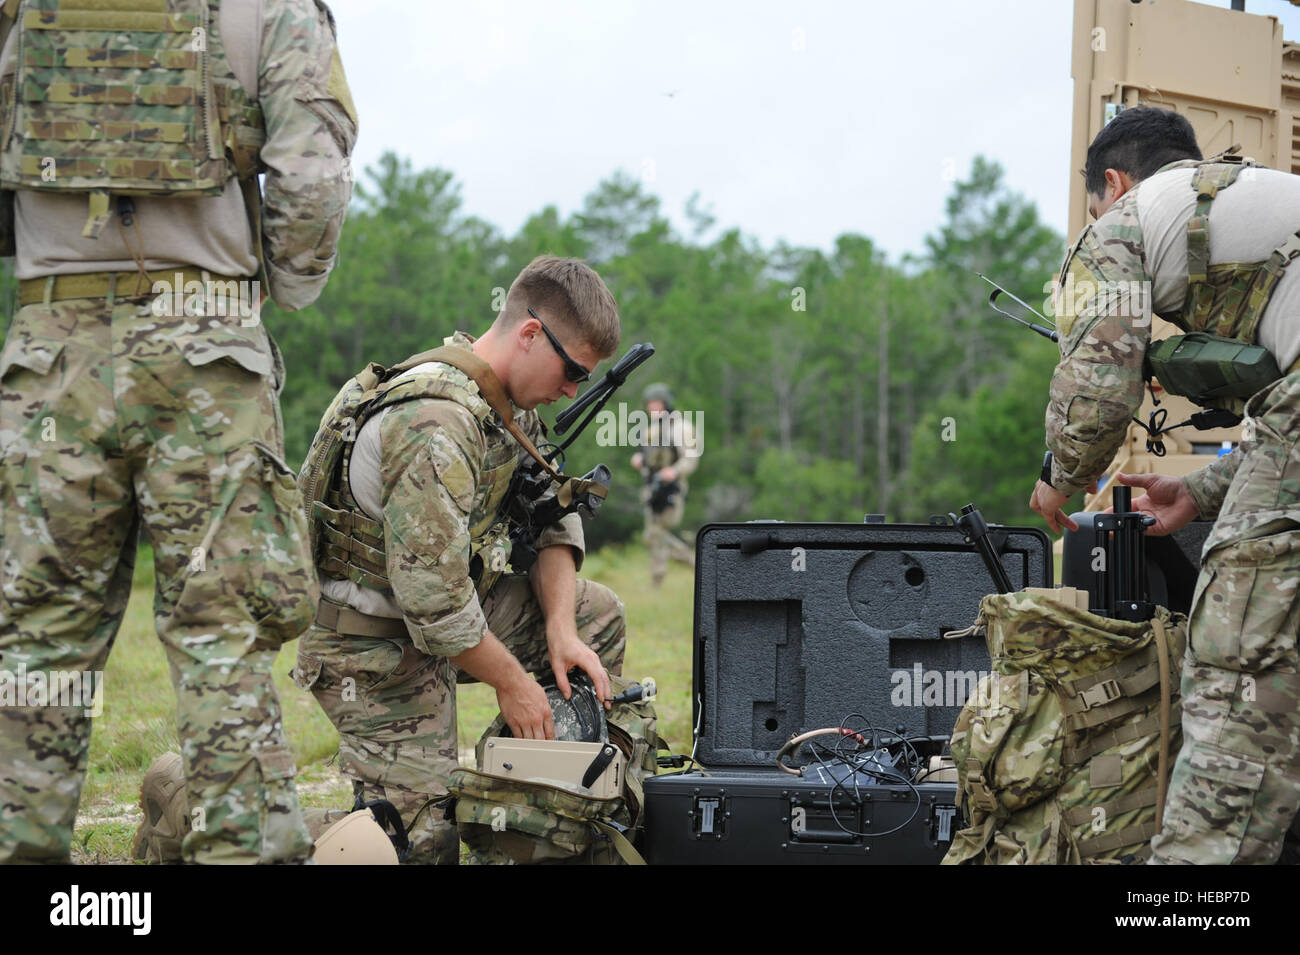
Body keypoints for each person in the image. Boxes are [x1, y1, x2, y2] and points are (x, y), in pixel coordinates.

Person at [0, 0, 357, 864]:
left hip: (50, 351)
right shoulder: (269, 8)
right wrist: (265, 292)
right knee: (221, 639)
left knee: (33, 649)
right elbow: (312, 178)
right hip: (208, 346)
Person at [1028, 106, 1300, 864]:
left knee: (1237, 669)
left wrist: (1059, 479)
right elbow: (1282, 430)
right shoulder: (1257, 199)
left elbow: (1098, 389)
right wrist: (1205, 494)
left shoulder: (1120, 225)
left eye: (1096, 202)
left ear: (1113, 183)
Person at [292, 255, 628, 864]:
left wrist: (559, 631)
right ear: (530, 334)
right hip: (373, 644)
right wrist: (514, 684)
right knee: (417, 846)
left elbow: (552, 517)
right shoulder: (434, 423)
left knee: (594, 615)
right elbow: (435, 603)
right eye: (573, 371)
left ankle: (541, 811)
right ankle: (196, 807)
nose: (573, 391)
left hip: (448, 619)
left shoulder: (506, 403)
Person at [630, 383, 699, 587]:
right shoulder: (650, 430)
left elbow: (691, 459)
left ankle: (693, 564)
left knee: (655, 534)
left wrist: (674, 471)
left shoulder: (682, 428)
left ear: (666, 404)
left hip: (671, 488)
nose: (652, 408)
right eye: (649, 404)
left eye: (657, 404)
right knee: (654, 536)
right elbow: (649, 460)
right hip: (651, 487)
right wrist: (640, 461)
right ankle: (660, 579)